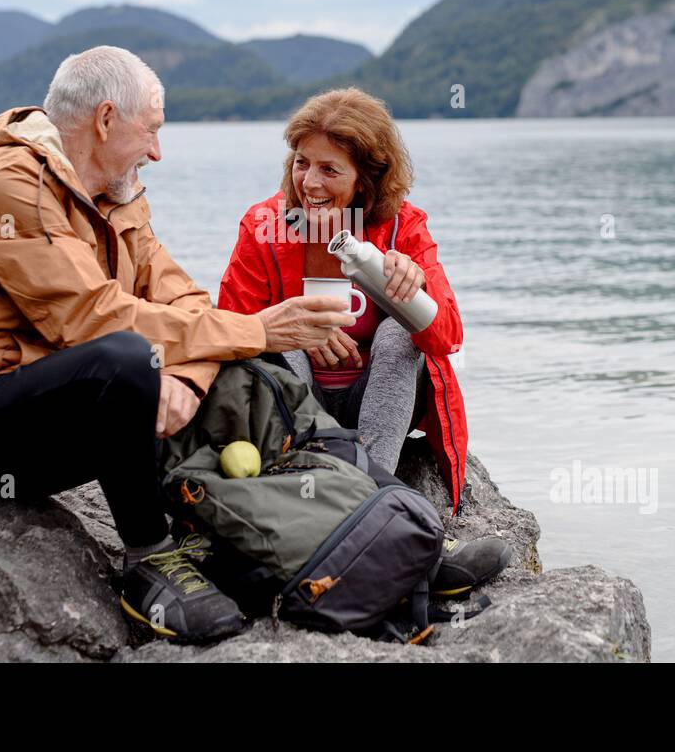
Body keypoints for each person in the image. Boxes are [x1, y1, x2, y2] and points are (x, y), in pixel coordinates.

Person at [0, 46, 355, 643]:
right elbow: (93, 320)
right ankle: (149, 557)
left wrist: (190, 376)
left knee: (241, 365)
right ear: (106, 119)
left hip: (68, 408)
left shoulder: (116, 193)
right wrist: (256, 329)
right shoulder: (5, 187)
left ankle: (366, 517)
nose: (158, 152)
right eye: (153, 131)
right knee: (134, 357)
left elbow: (184, 299)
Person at [218, 87, 511, 595]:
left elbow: (447, 339)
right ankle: (397, 539)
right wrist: (296, 326)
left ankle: (369, 506)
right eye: (302, 163)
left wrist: (411, 284)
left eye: (330, 170)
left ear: (366, 179)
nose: (309, 182)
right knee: (278, 337)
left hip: (375, 408)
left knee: (402, 332)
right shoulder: (265, 224)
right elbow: (226, 331)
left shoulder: (403, 227)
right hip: (294, 409)